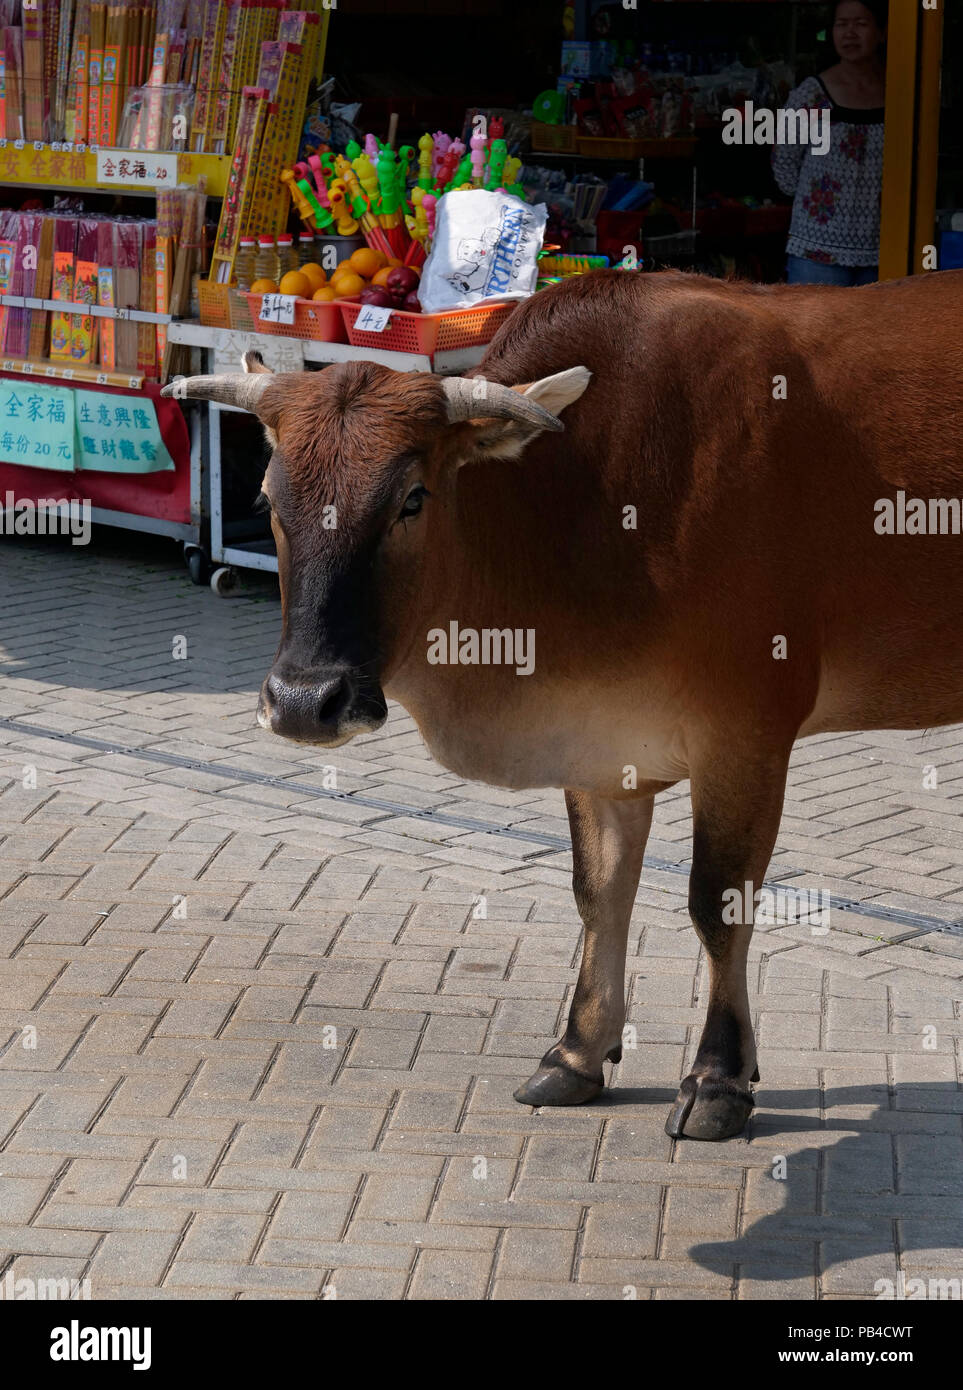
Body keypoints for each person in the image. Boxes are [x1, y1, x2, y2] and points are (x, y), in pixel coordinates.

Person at [773, 0, 887, 285]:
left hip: (883, 251)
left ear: (882, 33)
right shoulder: (811, 95)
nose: (850, 33)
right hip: (816, 252)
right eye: (842, 24)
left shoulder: (900, 91)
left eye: (861, 24)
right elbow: (784, 166)